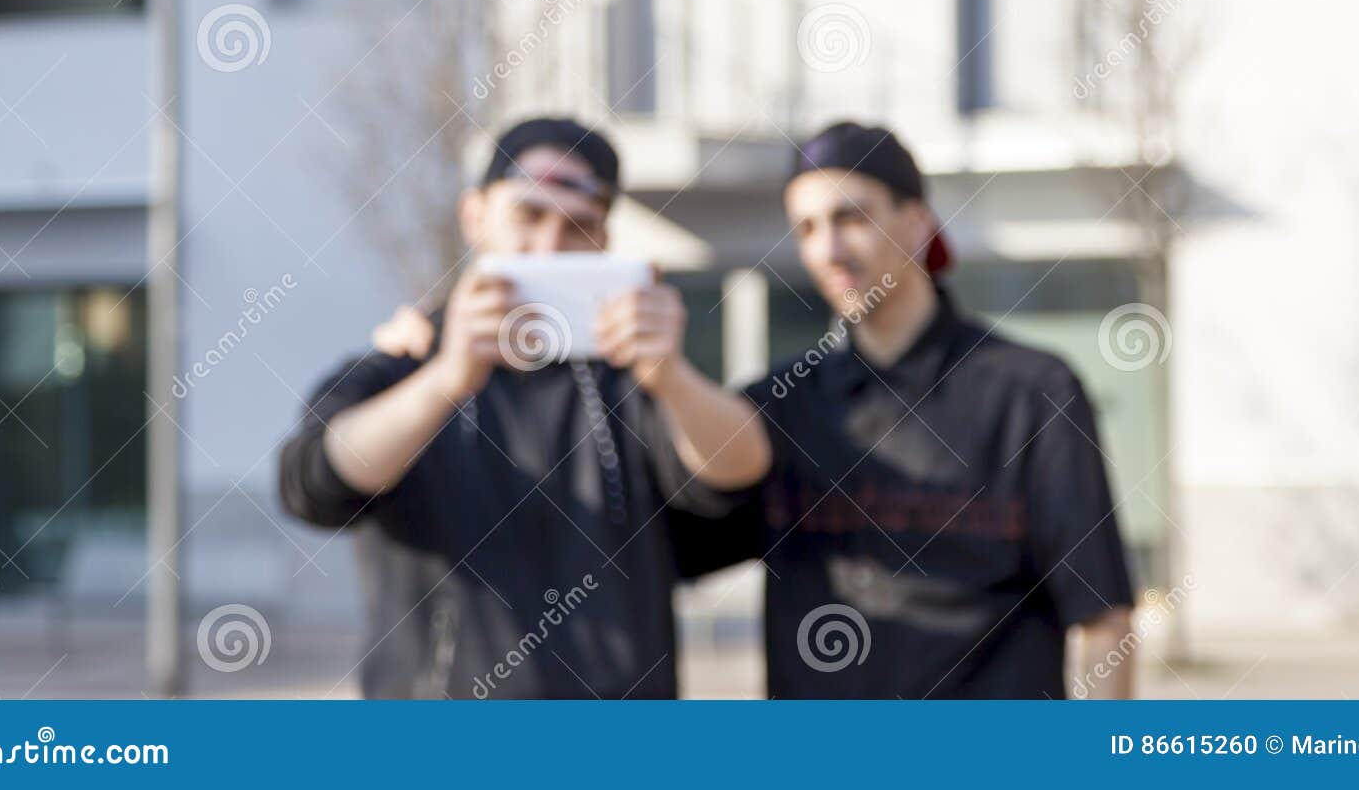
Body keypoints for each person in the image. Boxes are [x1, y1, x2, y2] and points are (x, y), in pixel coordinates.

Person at [374, 121, 1138, 698]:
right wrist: (436, 344)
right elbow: (635, 540)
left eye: (852, 215)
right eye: (806, 227)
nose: (828, 247)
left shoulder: (1032, 390)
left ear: (917, 221)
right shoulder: (782, 404)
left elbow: (1103, 617)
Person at [277, 116, 771, 699]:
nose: (549, 247)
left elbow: (742, 478)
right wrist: (447, 378)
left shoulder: (635, 380)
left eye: (578, 227)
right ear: (475, 217)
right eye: (528, 216)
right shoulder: (403, 365)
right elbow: (313, 483)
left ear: (605, 242)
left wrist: (673, 375)